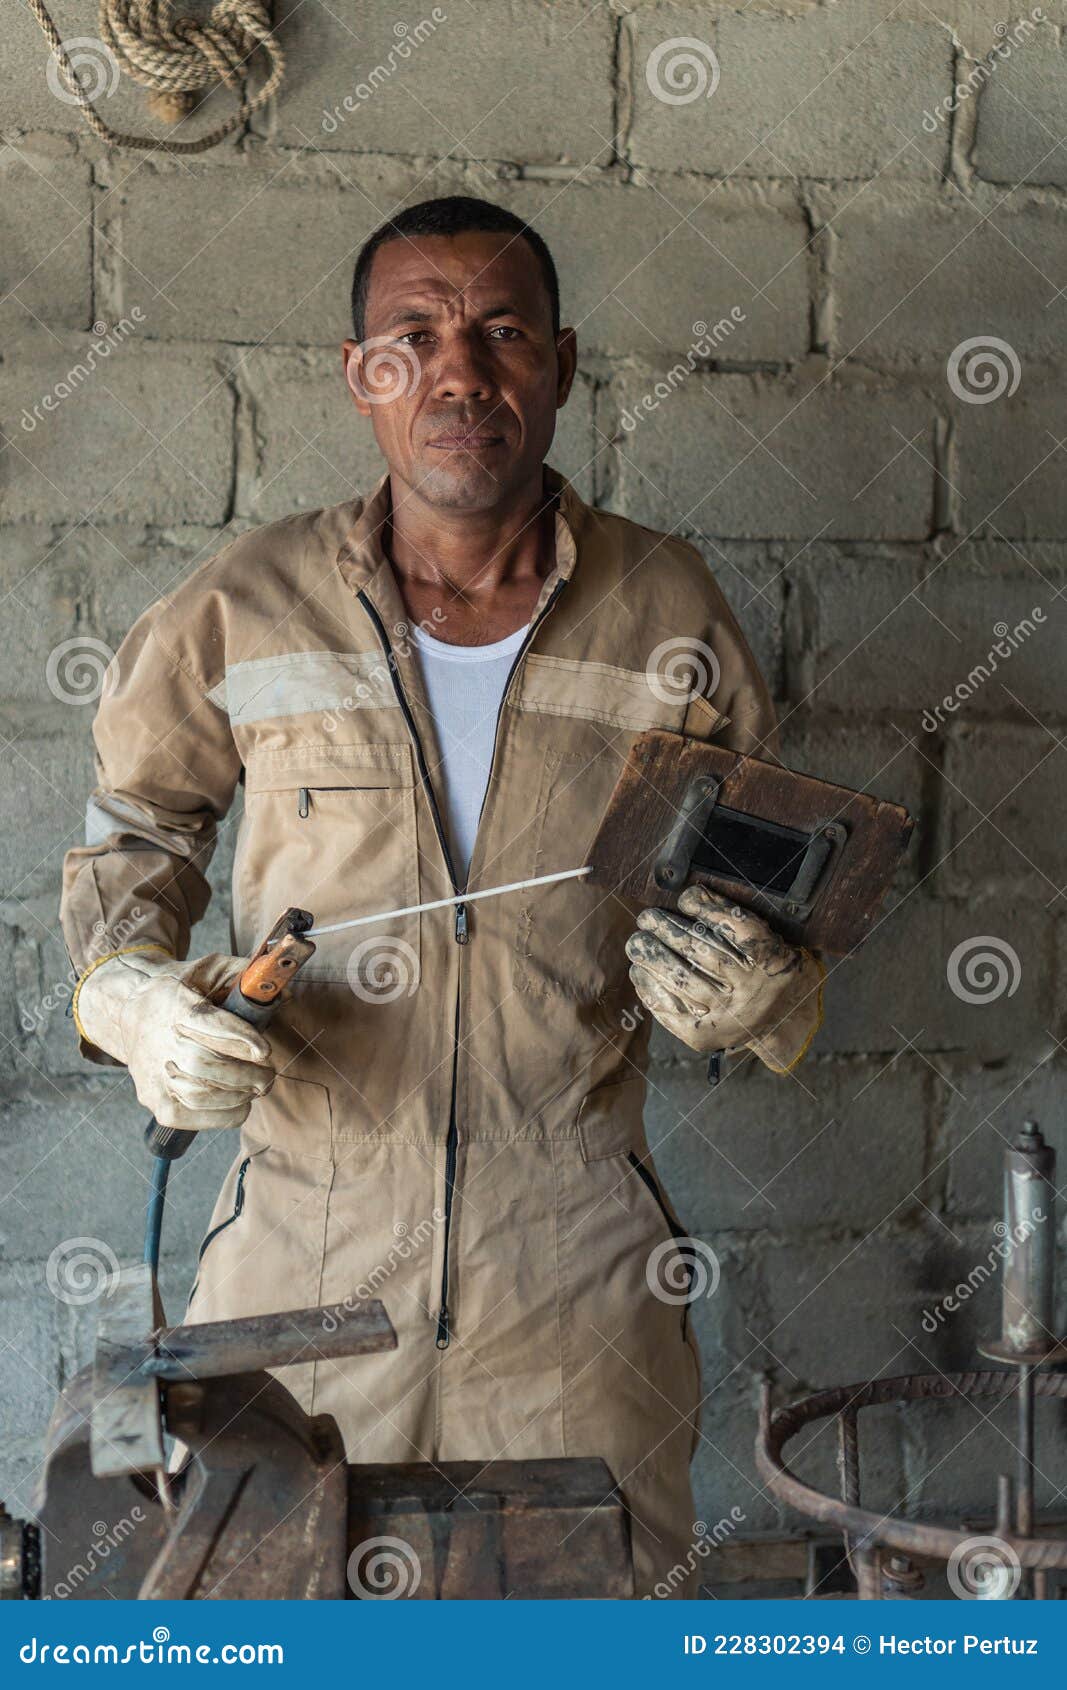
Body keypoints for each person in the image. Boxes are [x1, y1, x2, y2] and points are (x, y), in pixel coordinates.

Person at [60, 195, 823, 1597]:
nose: (460, 370)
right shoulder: (253, 599)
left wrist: (773, 995)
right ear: (364, 377)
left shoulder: (672, 612)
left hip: (579, 1282)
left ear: (563, 364)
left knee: (577, 1645)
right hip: (300, 1269)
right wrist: (125, 997)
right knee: (274, 1631)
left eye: (501, 332)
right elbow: (134, 832)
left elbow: (769, 907)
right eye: (414, 337)